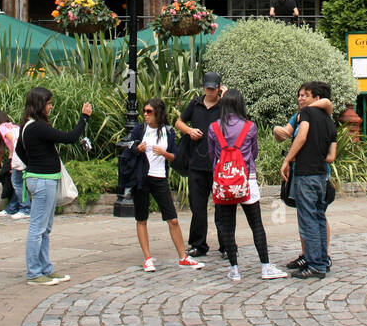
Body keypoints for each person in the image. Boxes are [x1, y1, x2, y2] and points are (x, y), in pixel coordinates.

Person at [207, 89, 287, 282]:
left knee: (227, 226)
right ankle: (265, 266)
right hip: (247, 179)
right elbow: (254, 153)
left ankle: (234, 269)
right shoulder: (249, 127)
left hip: (224, 181)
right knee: (256, 224)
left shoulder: (214, 127)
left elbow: (212, 156)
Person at [18, 87, 92, 286]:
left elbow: (19, 150)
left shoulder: (27, 125)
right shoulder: (37, 127)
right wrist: (84, 118)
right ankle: (34, 273)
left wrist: (33, 163)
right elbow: (70, 137)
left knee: (45, 227)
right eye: (49, 103)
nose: (51, 107)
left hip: (41, 177)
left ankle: (45, 268)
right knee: (38, 228)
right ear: (40, 105)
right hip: (42, 179)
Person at [120, 97, 202, 272]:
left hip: (159, 177)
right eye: (144, 111)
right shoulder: (139, 130)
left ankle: (183, 256)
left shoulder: (168, 132)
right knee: (142, 218)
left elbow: (176, 157)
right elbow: (126, 148)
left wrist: (164, 153)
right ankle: (148, 258)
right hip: (142, 177)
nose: (145, 114)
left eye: (149, 111)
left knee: (172, 218)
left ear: (158, 113)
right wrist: (137, 149)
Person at [272, 84, 336, 270]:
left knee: (310, 217)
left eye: (305, 95)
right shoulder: (325, 121)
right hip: (316, 172)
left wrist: (289, 159)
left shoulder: (310, 113)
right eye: (299, 95)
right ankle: (314, 257)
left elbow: (301, 137)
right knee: (315, 216)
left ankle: (316, 263)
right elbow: (331, 155)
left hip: (308, 173)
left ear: (315, 98)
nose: (300, 99)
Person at [175, 71, 225, 258]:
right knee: (198, 207)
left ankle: (226, 244)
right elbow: (179, 121)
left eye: (213, 88)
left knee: (222, 208)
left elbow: (239, 117)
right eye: (207, 88)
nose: (210, 91)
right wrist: (189, 131)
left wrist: (226, 96)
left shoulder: (224, 106)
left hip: (219, 164)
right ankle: (198, 244)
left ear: (219, 88)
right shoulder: (195, 103)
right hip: (197, 162)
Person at [0, 111, 30, 220]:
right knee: (17, 181)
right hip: (24, 155)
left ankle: (26, 209)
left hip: (19, 156)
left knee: (17, 182)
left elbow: (14, 141)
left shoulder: (2, 127)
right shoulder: (13, 125)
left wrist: (15, 159)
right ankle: (12, 207)